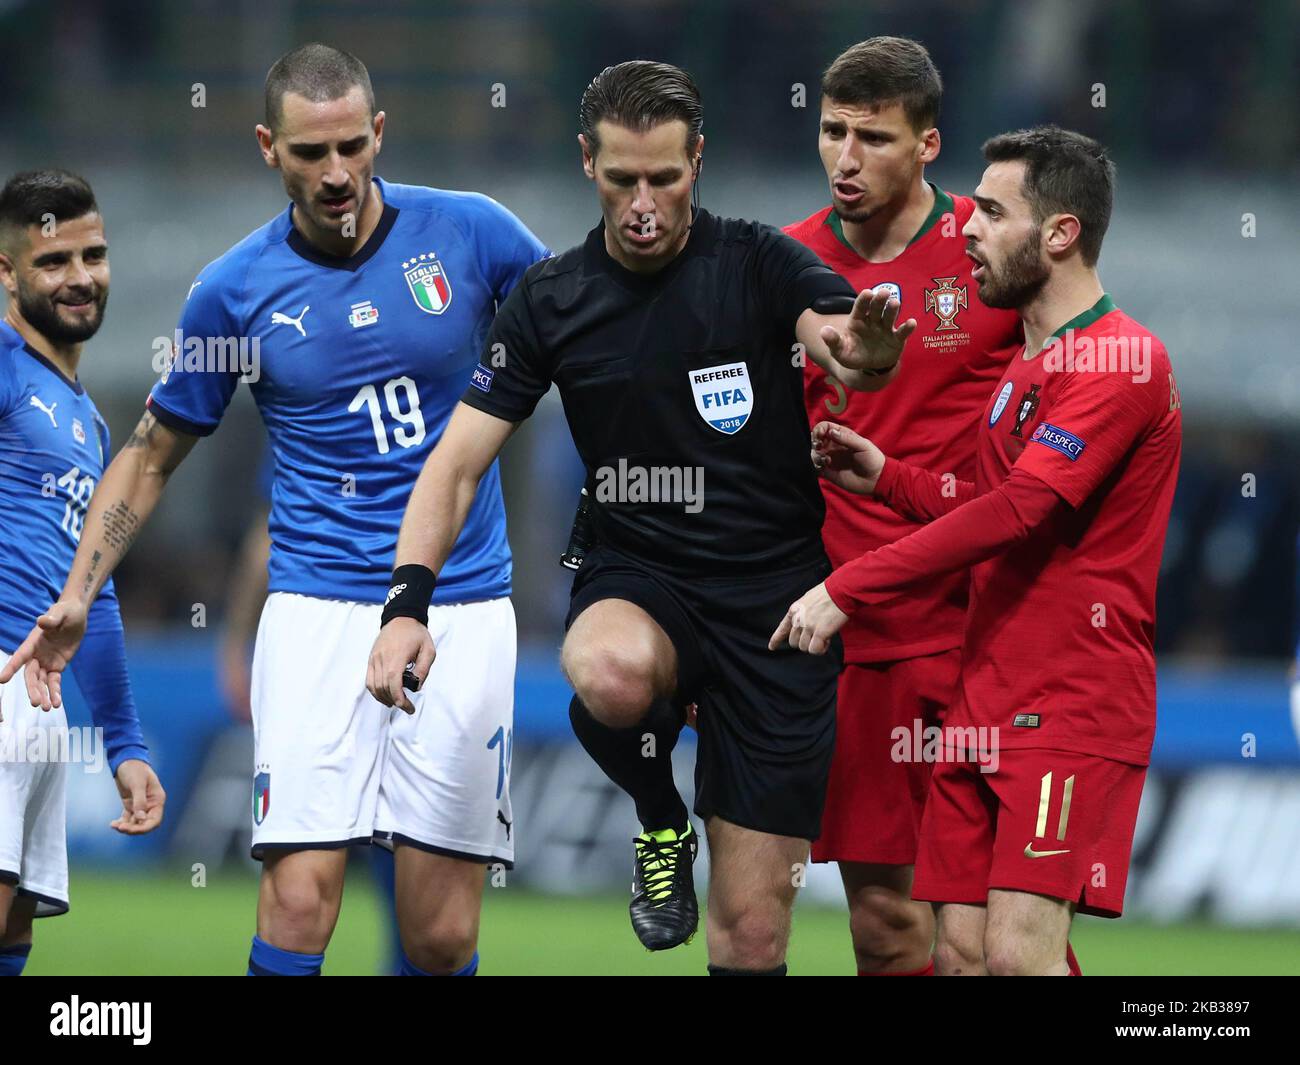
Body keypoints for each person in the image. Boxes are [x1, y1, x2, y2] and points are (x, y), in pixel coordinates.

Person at [0, 43, 548, 977]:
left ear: (378, 133)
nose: (335, 175)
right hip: (316, 611)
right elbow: (148, 457)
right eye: (308, 154)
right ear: (268, 149)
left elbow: (587, 334)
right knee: (299, 901)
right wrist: (79, 589)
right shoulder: (235, 291)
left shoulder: (476, 235)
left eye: (349, 147)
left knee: (441, 931)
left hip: (460, 601)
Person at [367, 60, 911, 974]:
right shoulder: (552, 298)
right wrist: (405, 606)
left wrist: (870, 351)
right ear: (589, 163)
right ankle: (661, 818)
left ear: (699, 158)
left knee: (749, 937)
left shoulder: (759, 262)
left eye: (665, 176)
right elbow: (456, 463)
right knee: (607, 672)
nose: (645, 203)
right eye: (624, 179)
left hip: (777, 608)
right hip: (640, 578)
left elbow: (843, 345)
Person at [772, 126, 1182, 975]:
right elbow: (986, 501)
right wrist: (887, 477)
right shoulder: (1024, 365)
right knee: (956, 952)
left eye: (993, 212)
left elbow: (1025, 509)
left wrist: (852, 584)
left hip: (1069, 701)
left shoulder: (1122, 360)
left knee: (1015, 955)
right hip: (981, 693)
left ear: (1060, 233)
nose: (966, 229)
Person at [784, 36, 1021, 976]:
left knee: (992, 933)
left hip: (987, 627)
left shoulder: (994, 252)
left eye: (873, 137)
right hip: (861, 629)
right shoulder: (787, 264)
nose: (847, 157)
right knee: (885, 925)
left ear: (928, 144)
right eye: (832, 132)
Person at [0, 169, 165, 975]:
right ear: (6, 273)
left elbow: (88, 599)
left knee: (13, 930)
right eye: (53, 260)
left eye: (93, 255)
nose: (80, 277)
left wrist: (126, 745)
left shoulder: (91, 422)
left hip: (42, 707)